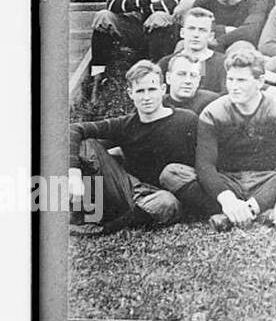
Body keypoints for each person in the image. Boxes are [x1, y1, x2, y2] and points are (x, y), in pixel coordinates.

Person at [195, 47, 276, 230]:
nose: (234, 87)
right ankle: (255, 213)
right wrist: (227, 199)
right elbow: (204, 164)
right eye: (230, 79)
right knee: (174, 174)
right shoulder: (213, 112)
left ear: (260, 81)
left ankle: (241, 214)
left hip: (268, 180)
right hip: (229, 181)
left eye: (242, 80)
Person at [69, 60, 199, 232]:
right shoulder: (126, 124)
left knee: (166, 203)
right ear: (130, 93)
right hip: (129, 190)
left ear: (162, 89)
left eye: (152, 89)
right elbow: (74, 129)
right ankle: (86, 211)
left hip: (163, 195)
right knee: (87, 143)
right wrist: (74, 174)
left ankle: (105, 227)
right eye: (140, 91)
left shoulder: (186, 120)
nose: (146, 97)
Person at [158, 7, 226, 94]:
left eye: (202, 30)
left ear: (211, 36)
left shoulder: (223, 63)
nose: (196, 34)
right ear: (182, 32)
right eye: (191, 29)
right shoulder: (165, 63)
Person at [162, 51, 220, 115]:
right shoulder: (158, 103)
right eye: (181, 74)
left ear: (199, 80)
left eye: (193, 75)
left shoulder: (212, 103)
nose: (188, 81)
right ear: (168, 78)